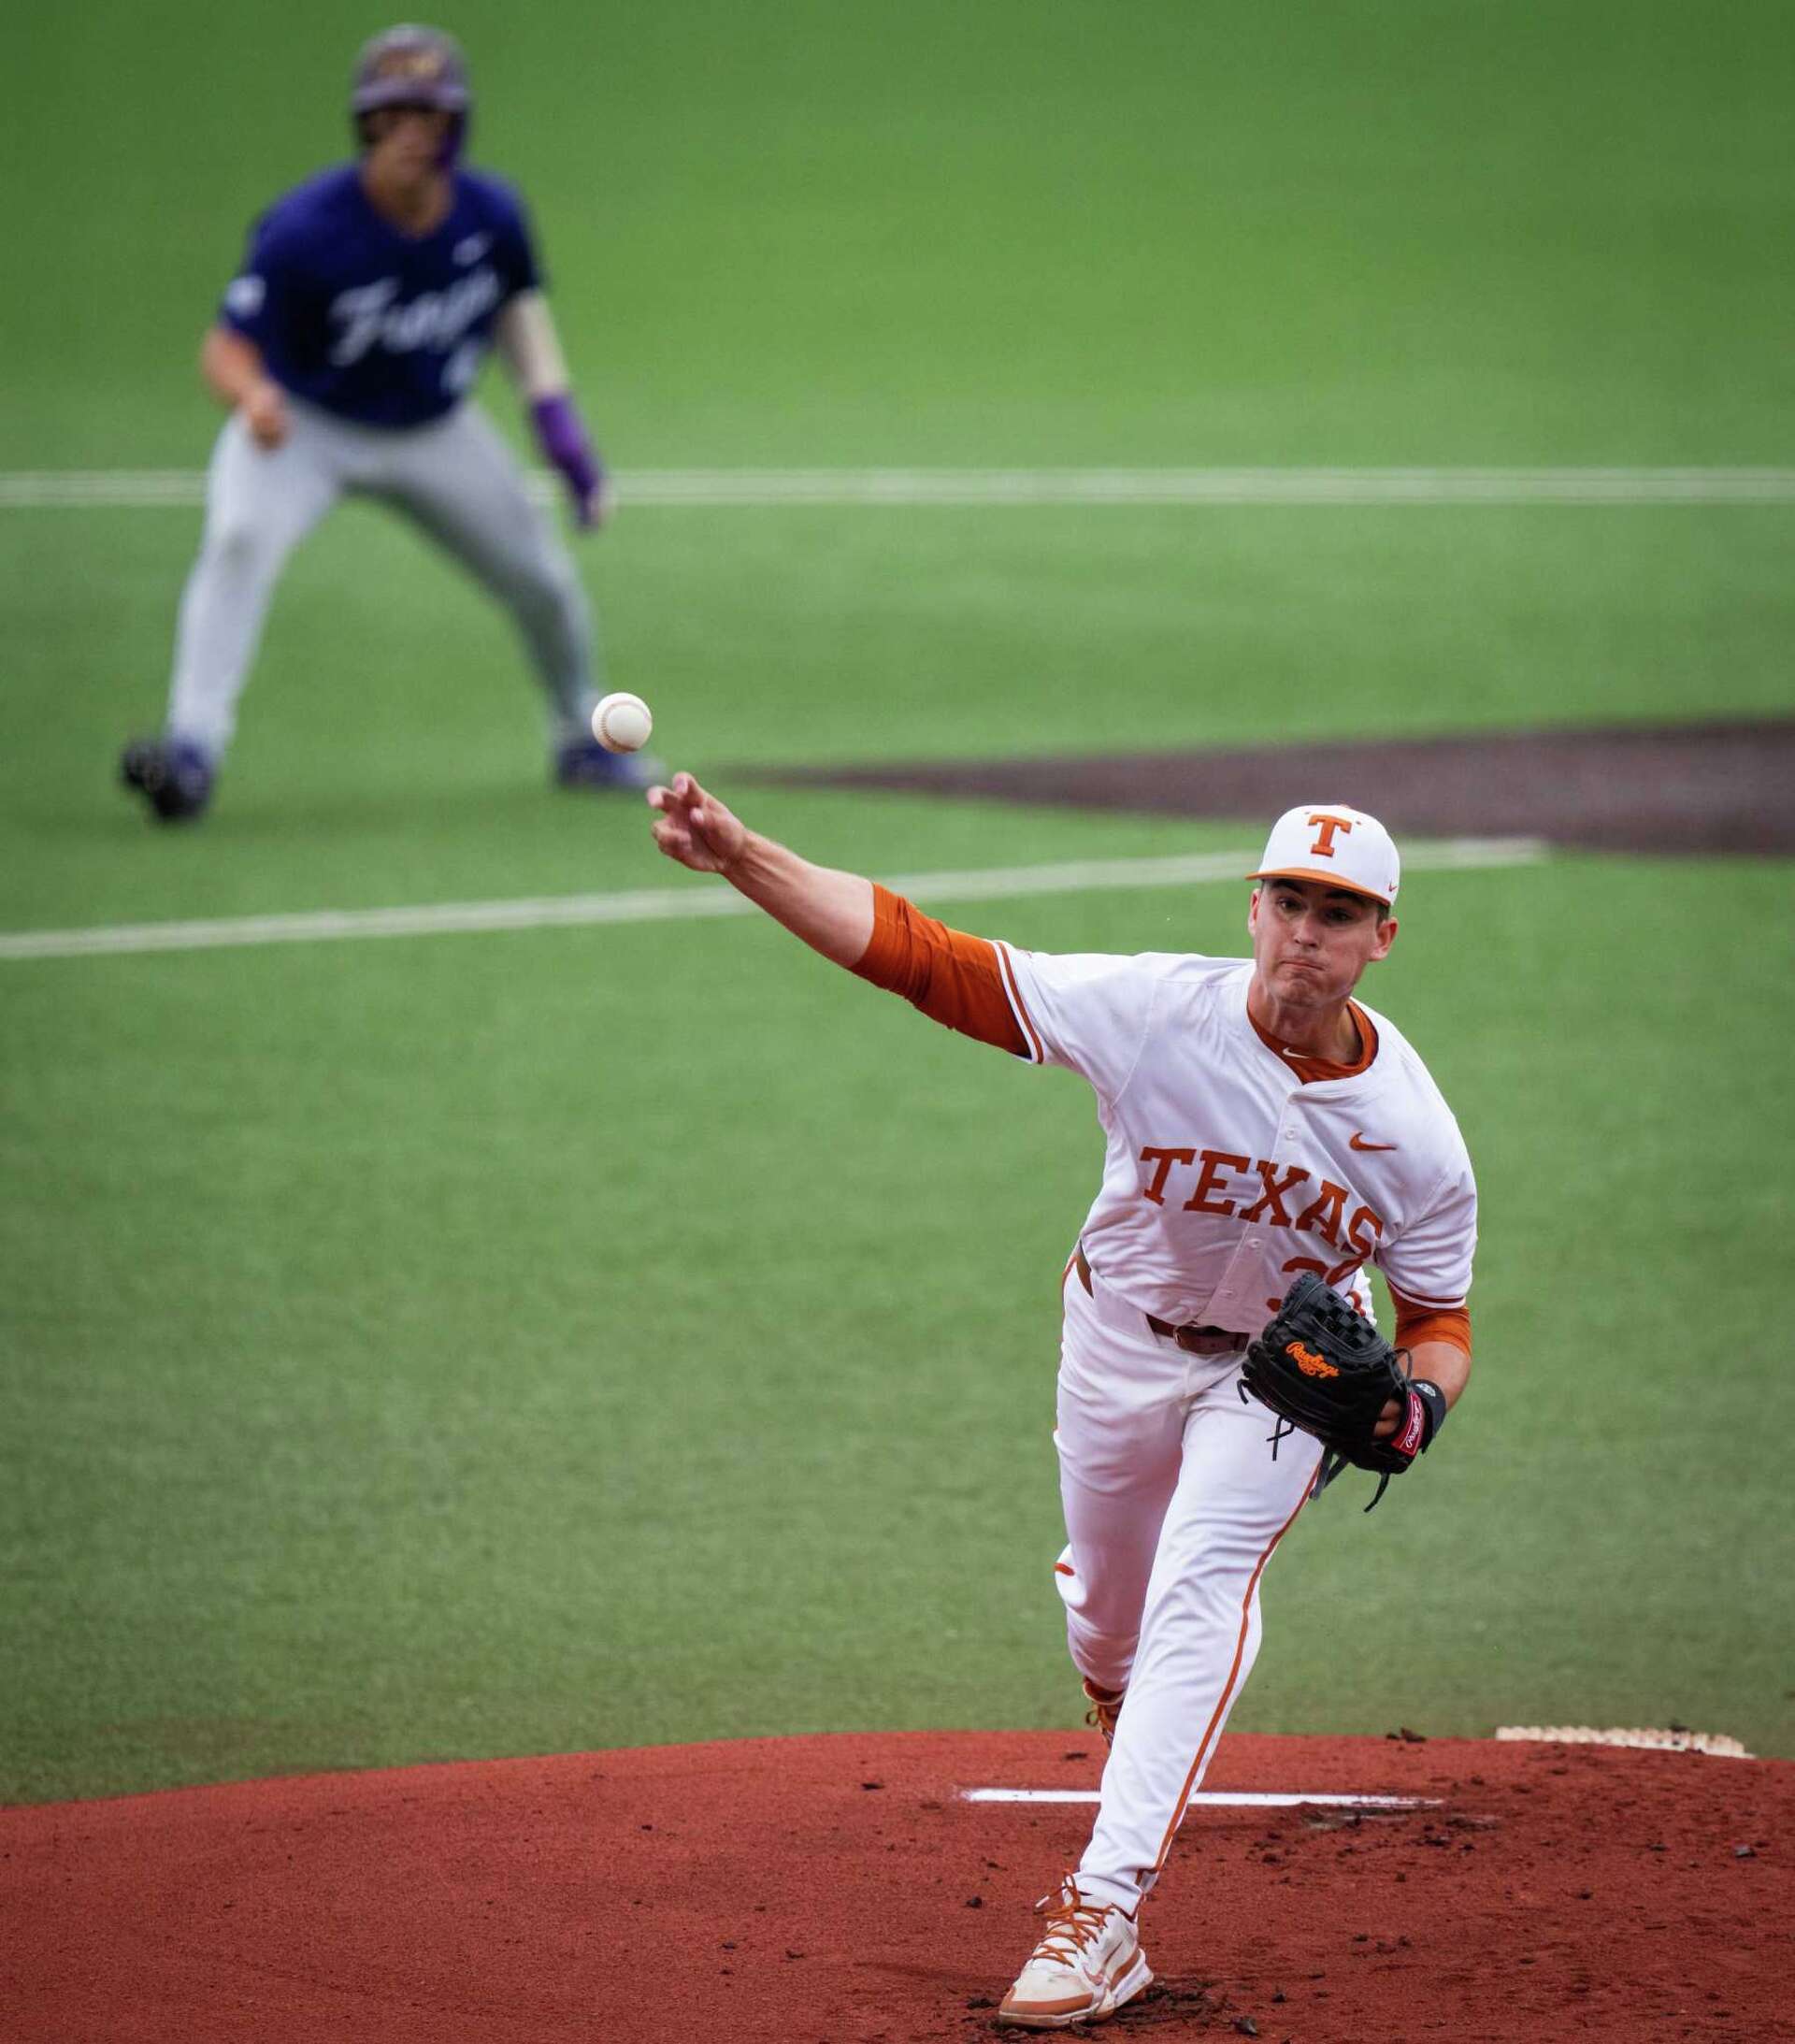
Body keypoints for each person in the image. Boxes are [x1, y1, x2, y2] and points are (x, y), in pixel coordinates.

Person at [646, 775, 1477, 2029]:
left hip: (1277, 1382)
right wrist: (743, 853)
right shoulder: (1153, 1012)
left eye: (1341, 912)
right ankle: (1140, 1680)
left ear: (1384, 938)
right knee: (1108, 1627)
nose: (1309, 931)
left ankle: (1102, 1913)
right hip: (1117, 1340)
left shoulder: (1413, 1132)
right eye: (1290, 901)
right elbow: (929, 960)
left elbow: (1440, 1322)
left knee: (1204, 1575)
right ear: (1250, 908)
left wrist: (1417, 1407)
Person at [120, 23, 657, 824]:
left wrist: (561, 434)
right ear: (365, 126)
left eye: (427, 117)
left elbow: (520, 316)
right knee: (237, 542)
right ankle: (192, 751)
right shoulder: (305, 228)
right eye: (391, 117)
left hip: (434, 432)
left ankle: (581, 736)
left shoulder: (491, 214)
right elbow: (225, 346)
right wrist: (252, 398)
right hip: (305, 426)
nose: (409, 135)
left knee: (541, 577)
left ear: (455, 127)